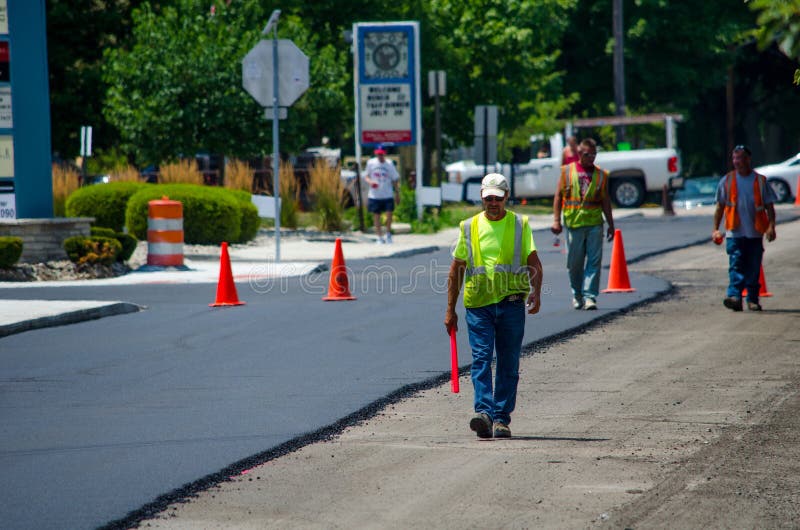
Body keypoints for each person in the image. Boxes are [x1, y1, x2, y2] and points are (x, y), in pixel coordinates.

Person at [444, 173, 543, 439]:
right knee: (481, 359)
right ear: (481, 197)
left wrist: (536, 292)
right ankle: (484, 413)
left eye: (497, 198)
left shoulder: (520, 224)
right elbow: (456, 271)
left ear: (506, 197)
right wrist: (450, 309)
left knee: (508, 364)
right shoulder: (469, 226)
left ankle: (501, 419)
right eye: (488, 198)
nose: (492, 203)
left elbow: (534, 261)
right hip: (478, 306)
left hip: (511, 305)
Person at [551, 138, 615, 310]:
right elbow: (558, 196)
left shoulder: (601, 175)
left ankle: (589, 296)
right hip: (574, 223)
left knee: (594, 261)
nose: (591, 157)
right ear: (579, 153)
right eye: (588, 154)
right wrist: (556, 220)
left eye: (594, 154)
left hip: (594, 223)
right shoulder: (566, 172)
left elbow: (605, 201)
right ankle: (577, 294)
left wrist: (611, 224)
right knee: (574, 263)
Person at [712, 145, 777, 311]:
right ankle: (734, 296)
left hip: (755, 233)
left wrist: (771, 227)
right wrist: (716, 229)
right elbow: (720, 207)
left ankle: (752, 300)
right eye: (735, 158)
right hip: (735, 233)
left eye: (740, 158)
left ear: (748, 159)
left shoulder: (760, 181)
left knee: (754, 268)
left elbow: (769, 206)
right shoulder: (727, 180)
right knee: (736, 265)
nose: (737, 162)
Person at [364, 146, 400, 244]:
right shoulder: (371, 163)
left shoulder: (389, 164)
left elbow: (395, 179)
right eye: (378, 154)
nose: (380, 156)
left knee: (389, 214)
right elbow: (366, 176)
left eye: (381, 154)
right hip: (375, 194)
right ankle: (379, 236)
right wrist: (371, 182)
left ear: (385, 153)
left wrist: (397, 193)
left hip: (387, 193)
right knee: (376, 215)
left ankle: (388, 234)